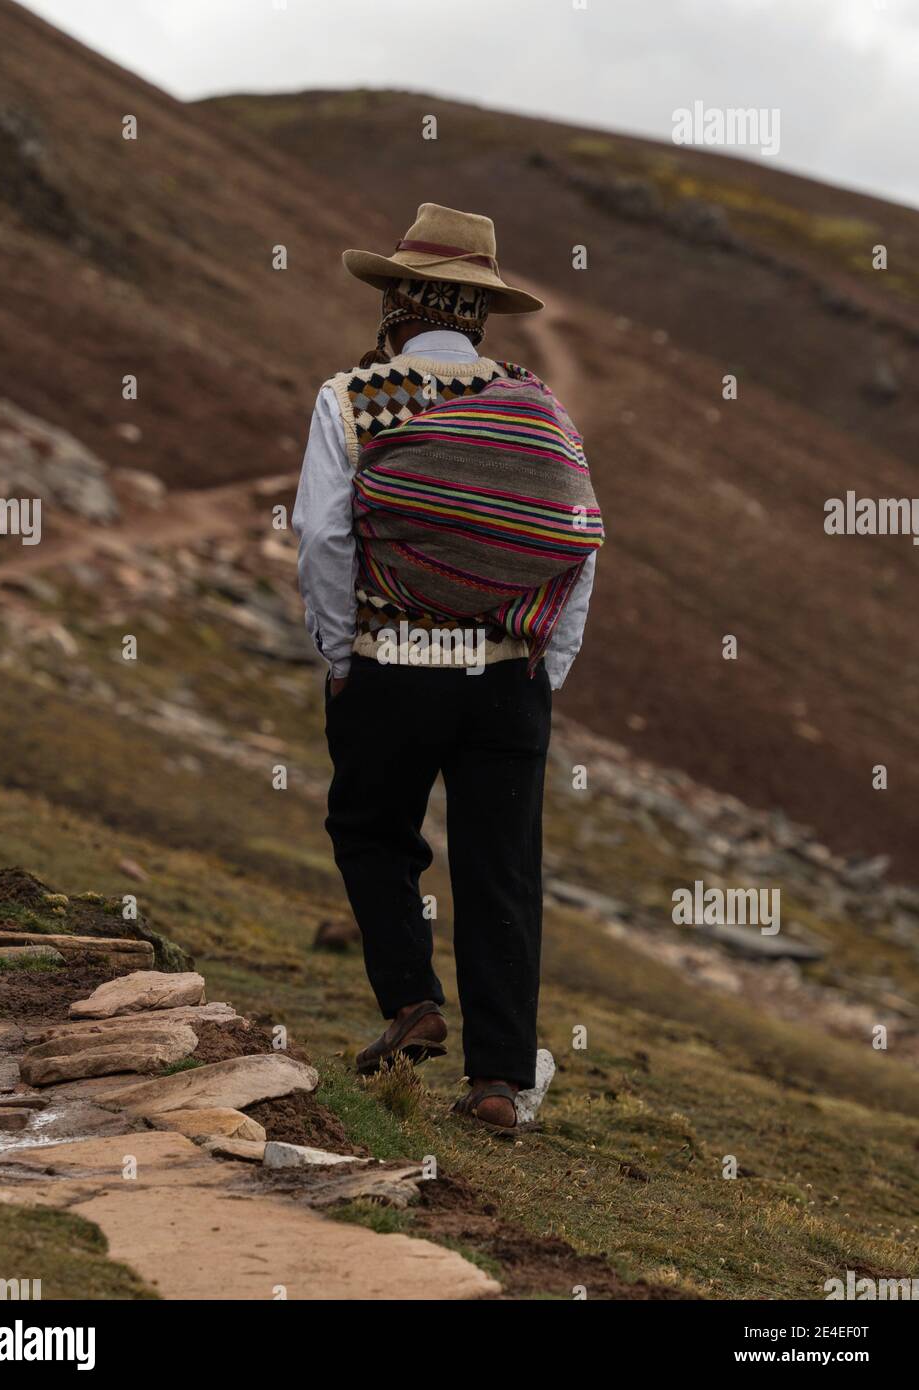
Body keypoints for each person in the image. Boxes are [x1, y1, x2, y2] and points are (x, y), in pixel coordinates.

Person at [293, 203, 601, 1132]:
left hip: (394, 662)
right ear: (478, 311)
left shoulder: (351, 397)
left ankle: (411, 1002)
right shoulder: (538, 406)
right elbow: (578, 542)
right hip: (507, 673)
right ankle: (500, 1083)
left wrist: (340, 649)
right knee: (502, 871)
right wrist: (546, 666)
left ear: (396, 298)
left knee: (372, 830)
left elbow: (320, 538)